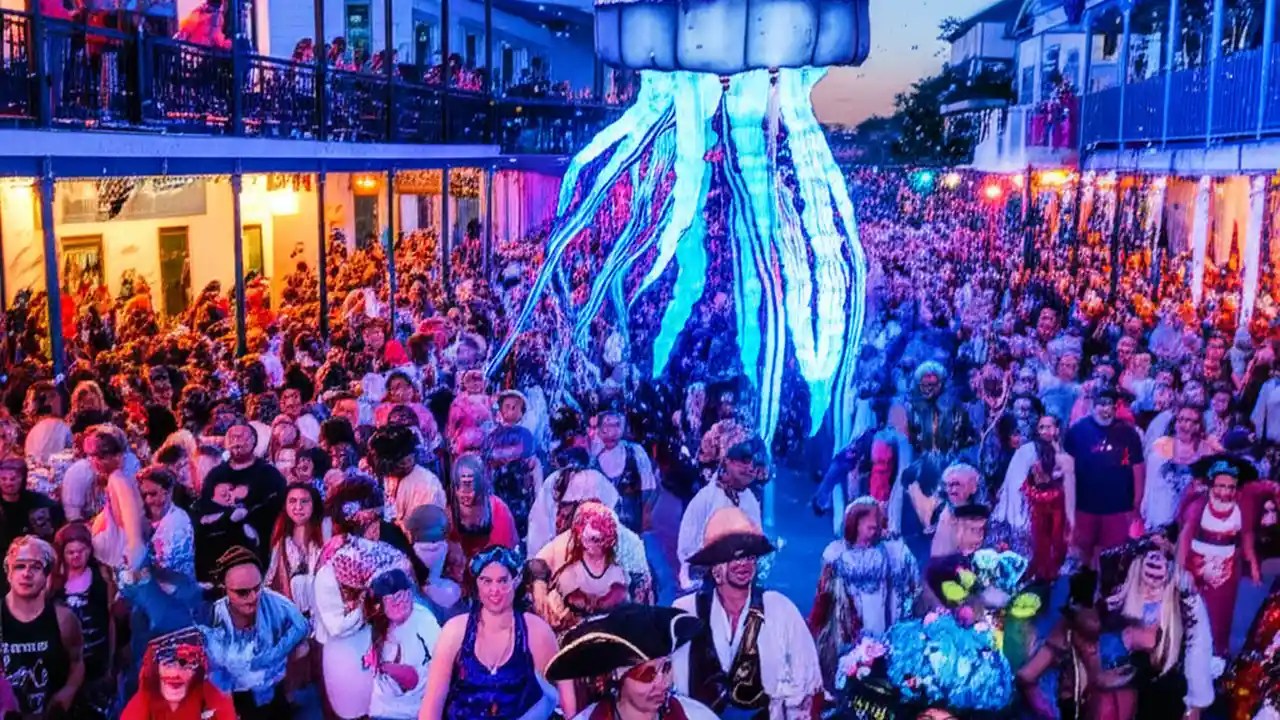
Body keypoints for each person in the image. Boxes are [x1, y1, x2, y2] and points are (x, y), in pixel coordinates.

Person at [672, 507, 823, 719]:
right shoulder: (686, 612)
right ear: (716, 566)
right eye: (735, 555)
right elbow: (672, 688)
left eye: (750, 555)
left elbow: (807, 685)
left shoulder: (779, 610)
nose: (744, 563)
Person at [419, 545, 565, 720]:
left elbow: (558, 699)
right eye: (487, 581)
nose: (495, 590)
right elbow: (431, 707)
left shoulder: (536, 631)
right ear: (477, 583)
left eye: (502, 581)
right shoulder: (454, 631)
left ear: (515, 581)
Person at [809, 498, 918, 691]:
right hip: (849, 624)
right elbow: (823, 596)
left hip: (885, 618)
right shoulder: (836, 554)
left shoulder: (893, 551)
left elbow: (912, 583)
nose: (874, 528)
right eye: (868, 524)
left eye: (876, 524)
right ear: (854, 523)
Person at [544, 604, 719, 719]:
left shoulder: (695, 716)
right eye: (647, 674)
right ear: (618, 678)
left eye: (666, 668)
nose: (662, 684)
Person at [1178, 454, 1276, 658]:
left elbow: (1247, 533)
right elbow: (1185, 536)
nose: (1225, 492)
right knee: (1190, 612)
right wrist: (1180, 569)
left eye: (1230, 487)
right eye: (1221, 486)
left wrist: (1253, 564)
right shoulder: (1198, 505)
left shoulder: (1242, 506)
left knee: (1221, 616)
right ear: (1212, 485)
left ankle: (1217, 657)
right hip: (1196, 564)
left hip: (1226, 568)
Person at [202, 546, 309, 720]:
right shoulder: (214, 615)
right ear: (225, 588)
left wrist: (275, 653)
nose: (253, 597)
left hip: (274, 688)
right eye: (243, 593)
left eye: (257, 588)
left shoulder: (273, 600)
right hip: (237, 696)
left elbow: (302, 625)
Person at [1, 535, 85, 719]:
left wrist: (68, 692)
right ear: (9, 573)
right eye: (20, 566)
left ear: (47, 576)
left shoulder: (64, 619)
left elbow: (77, 661)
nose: (26, 573)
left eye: (36, 567)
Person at [1064, 388, 1145, 567]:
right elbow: (1067, 472)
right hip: (1083, 507)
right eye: (1101, 404)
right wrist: (1069, 508)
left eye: (1109, 404)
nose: (1105, 409)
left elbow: (1138, 469)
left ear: (1116, 407)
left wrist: (1136, 504)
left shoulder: (1129, 433)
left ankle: (1106, 591)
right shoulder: (1076, 431)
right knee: (1081, 556)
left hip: (1118, 509)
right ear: (1093, 405)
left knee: (1112, 558)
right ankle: (1082, 589)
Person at [48, 522, 116, 717]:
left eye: (81, 551)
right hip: (64, 665)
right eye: (70, 552)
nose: (76, 556)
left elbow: (110, 621)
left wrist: (110, 665)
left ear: (89, 550)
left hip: (96, 660)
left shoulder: (101, 577)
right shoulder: (53, 581)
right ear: (62, 553)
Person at [677, 438, 764, 590]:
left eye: (755, 463)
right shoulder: (708, 498)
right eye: (744, 461)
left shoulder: (750, 499)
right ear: (728, 461)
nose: (750, 468)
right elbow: (688, 551)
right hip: (705, 582)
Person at [120, 627, 237, 720]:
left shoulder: (214, 695)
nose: (175, 672)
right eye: (168, 662)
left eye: (185, 662)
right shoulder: (141, 706)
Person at [591, 408, 657, 536]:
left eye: (616, 425)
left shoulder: (635, 452)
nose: (611, 432)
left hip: (632, 526)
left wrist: (646, 514)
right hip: (603, 530)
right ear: (598, 430)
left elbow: (649, 487)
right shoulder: (593, 461)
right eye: (607, 426)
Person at [138, 465, 197, 579]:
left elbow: (167, 567)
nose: (148, 500)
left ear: (168, 492)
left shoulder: (178, 522)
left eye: (153, 494)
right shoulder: (146, 518)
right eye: (144, 495)